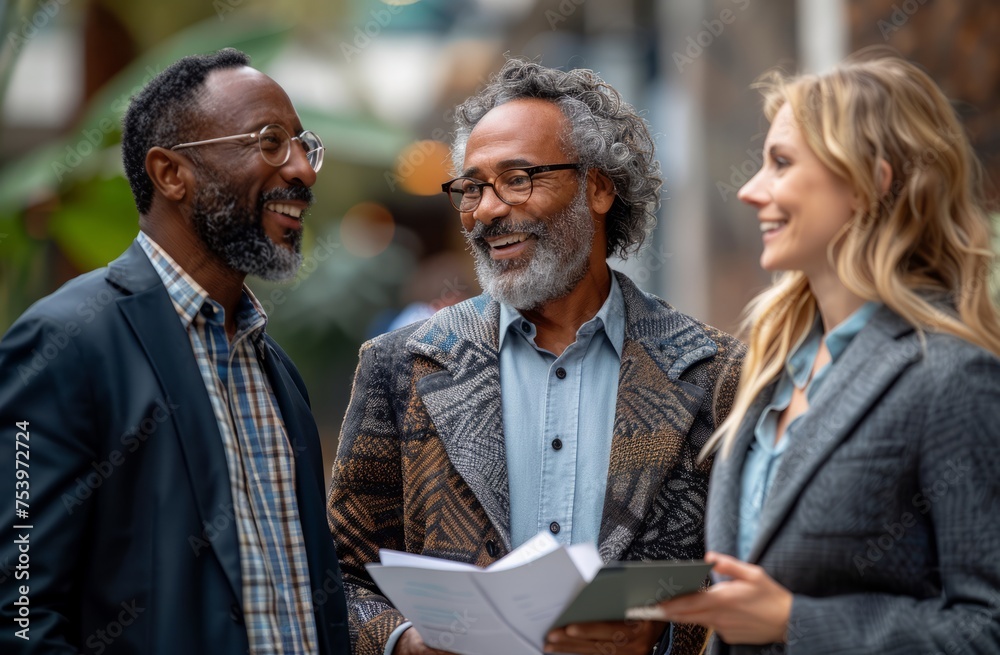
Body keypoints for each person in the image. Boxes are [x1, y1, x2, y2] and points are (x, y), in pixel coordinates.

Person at [327, 58, 744, 655]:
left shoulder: (715, 373)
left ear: (600, 187)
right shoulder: (401, 365)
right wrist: (407, 643)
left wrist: (664, 633)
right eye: (472, 187)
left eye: (518, 178)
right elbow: (340, 574)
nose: (488, 209)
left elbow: (754, 575)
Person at [0, 48, 349, 654]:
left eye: (304, 144)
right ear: (170, 174)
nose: (303, 170)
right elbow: (19, 608)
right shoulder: (63, 344)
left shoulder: (276, 372)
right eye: (270, 141)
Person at [657, 56, 1000, 654]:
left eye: (781, 163)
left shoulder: (952, 377)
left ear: (870, 182)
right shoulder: (771, 366)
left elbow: (985, 629)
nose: (748, 189)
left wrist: (797, 621)